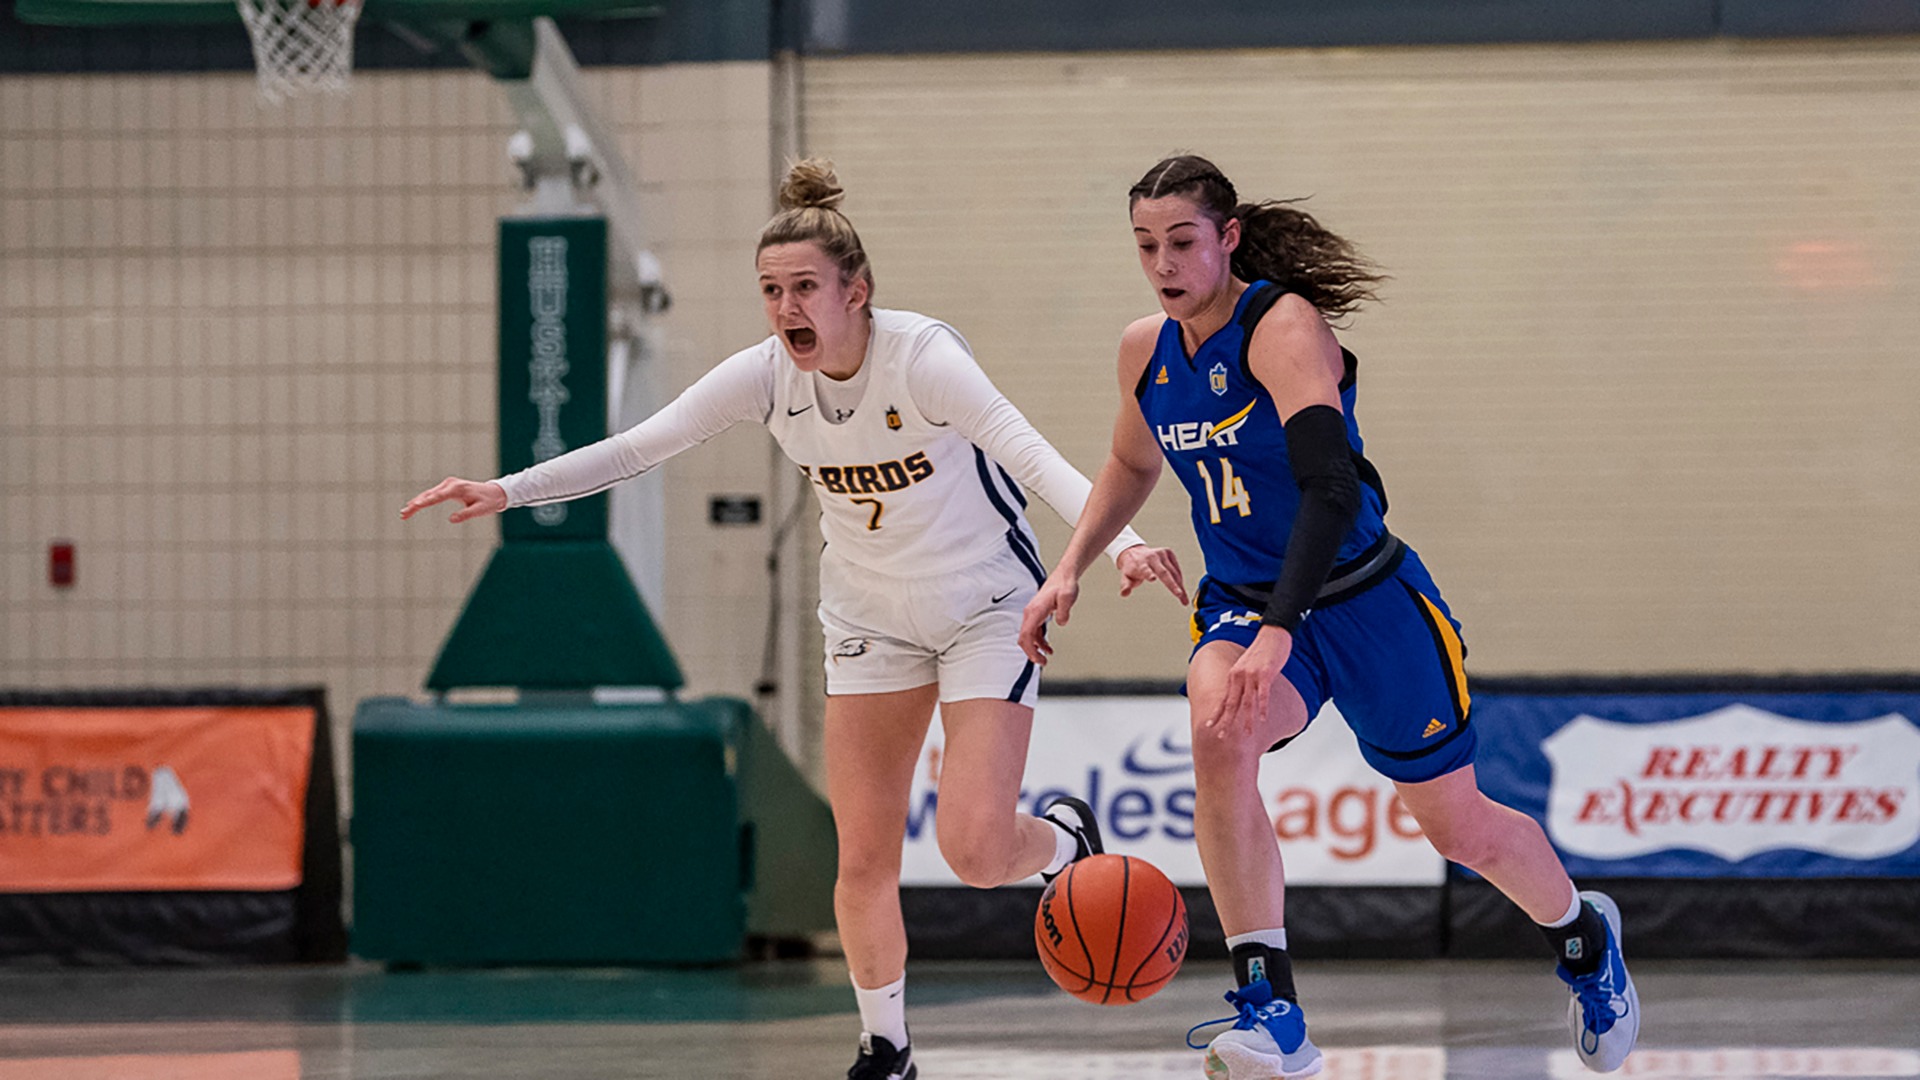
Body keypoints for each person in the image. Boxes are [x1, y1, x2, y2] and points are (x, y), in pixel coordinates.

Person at [403, 159, 1186, 1080]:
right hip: (868, 617)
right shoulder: (768, 376)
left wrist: (1123, 544)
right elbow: (639, 446)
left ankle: (1064, 839)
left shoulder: (924, 357)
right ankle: (885, 1046)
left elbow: (1030, 452)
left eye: (804, 287)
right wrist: (509, 488)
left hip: (984, 606)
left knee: (976, 853)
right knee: (861, 860)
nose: (785, 307)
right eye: (771, 291)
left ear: (856, 292)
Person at [1018, 154, 1639, 1078]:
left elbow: (1329, 485)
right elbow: (1132, 464)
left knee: (1459, 828)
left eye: (1182, 241)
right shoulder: (1145, 350)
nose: (1163, 263)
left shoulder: (1282, 327)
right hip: (1242, 600)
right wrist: (1068, 564)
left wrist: (1282, 633)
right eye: (1147, 246)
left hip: (1366, 599)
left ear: (1227, 240)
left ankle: (1586, 940)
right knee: (1218, 734)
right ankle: (1273, 1013)